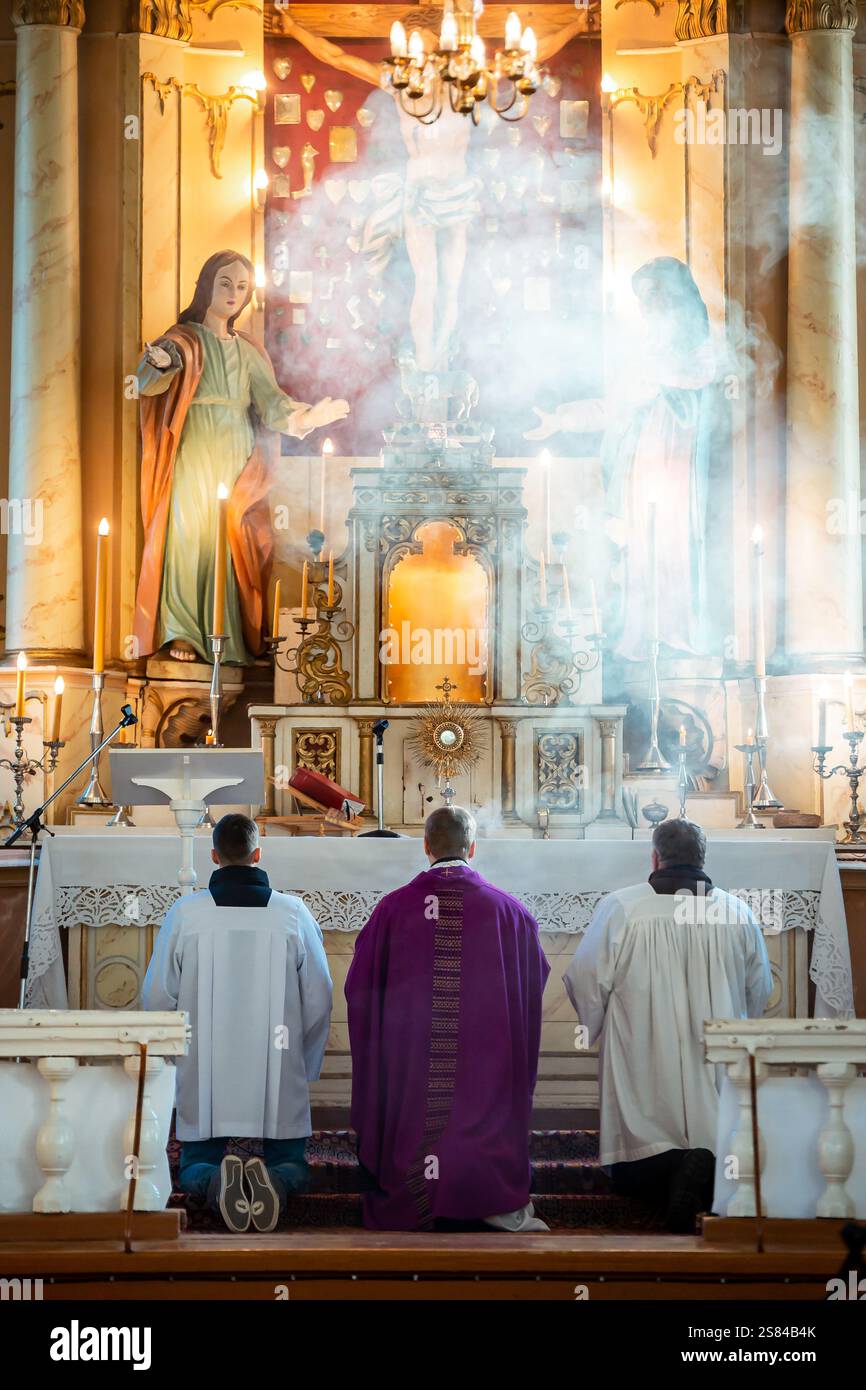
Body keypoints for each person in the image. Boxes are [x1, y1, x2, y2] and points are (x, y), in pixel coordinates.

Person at [134, 249, 349, 664]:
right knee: (187, 535)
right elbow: (149, 384)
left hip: (237, 448)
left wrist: (311, 415)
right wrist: (157, 364)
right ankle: (181, 630)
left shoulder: (248, 350)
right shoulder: (183, 339)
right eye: (225, 283)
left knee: (233, 537)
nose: (234, 293)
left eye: (242, 287)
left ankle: (225, 634)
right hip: (194, 445)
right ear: (206, 286)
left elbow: (272, 404)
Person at [346, 806, 550, 1232]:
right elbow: (533, 984)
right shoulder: (510, 913)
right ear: (472, 849)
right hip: (485, 1063)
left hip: (416, 1061)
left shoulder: (392, 910)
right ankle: (483, 1195)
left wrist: (391, 1036)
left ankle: (420, 1190)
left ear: (426, 847)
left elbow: (359, 989)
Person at [563, 818, 772, 1233]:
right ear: (703, 858)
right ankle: (701, 1168)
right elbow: (758, 993)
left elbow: (585, 980)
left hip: (644, 1083)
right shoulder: (737, 912)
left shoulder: (623, 908)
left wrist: (596, 1022)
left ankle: (669, 1168)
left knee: (640, 1162)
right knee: (716, 1157)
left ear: (655, 857)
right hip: (715, 1083)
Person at [142, 813, 332, 1233]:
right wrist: (304, 1063)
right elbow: (319, 997)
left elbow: (157, 996)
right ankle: (276, 1183)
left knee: (195, 1161)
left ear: (213, 856)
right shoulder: (292, 912)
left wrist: (173, 1060)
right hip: (278, 1068)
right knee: (292, 1164)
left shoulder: (187, 913)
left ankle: (214, 1182)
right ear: (258, 854)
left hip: (205, 1068)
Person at [525, 257, 719, 660]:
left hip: (676, 468)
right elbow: (613, 406)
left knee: (671, 548)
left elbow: (701, 379)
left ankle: (675, 634)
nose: (647, 309)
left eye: (653, 297)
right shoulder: (643, 355)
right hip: (638, 469)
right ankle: (642, 634)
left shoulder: (699, 349)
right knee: (639, 550)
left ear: (675, 298)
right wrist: (561, 418)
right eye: (642, 300)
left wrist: (659, 379)